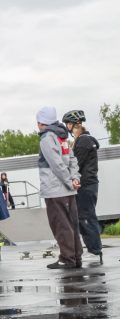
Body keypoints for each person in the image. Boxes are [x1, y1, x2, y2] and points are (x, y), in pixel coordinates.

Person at [37, 107, 82, 269]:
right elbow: (72, 159)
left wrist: (70, 181)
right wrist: (75, 178)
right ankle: (76, 256)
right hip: (68, 189)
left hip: (55, 189)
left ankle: (67, 258)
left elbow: (56, 164)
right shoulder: (61, 136)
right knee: (72, 224)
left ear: (41, 122)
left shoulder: (47, 138)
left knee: (60, 224)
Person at [63, 110, 102, 264]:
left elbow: (76, 164)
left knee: (86, 217)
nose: (67, 126)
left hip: (85, 185)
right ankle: (93, 249)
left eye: (68, 123)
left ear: (74, 124)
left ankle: (94, 250)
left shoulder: (83, 141)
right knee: (85, 216)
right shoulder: (83, 140)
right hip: (89, 184)